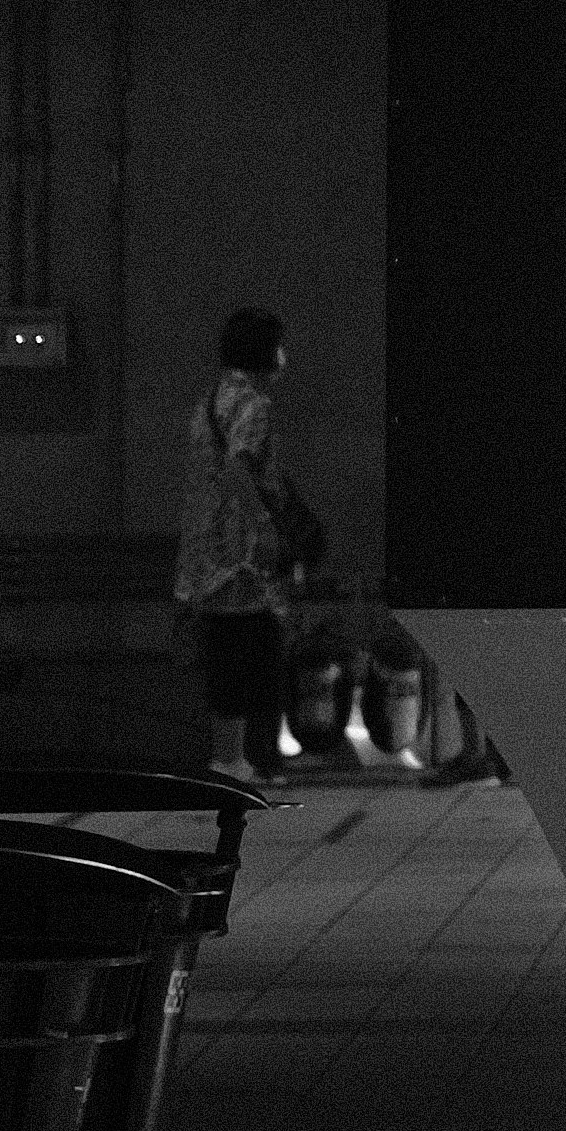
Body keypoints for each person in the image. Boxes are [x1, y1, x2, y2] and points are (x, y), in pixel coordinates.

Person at [178, 307, 312, 785]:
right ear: (264, 351)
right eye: (279, 344)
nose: (283, 354)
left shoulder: (211, 398)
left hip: (206, 550)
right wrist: (264, 523)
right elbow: (240, 466)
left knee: (231, 648)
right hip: (240, 554)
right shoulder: (254, 404)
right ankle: (238, 758)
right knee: (248, 651)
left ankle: (242, 755)